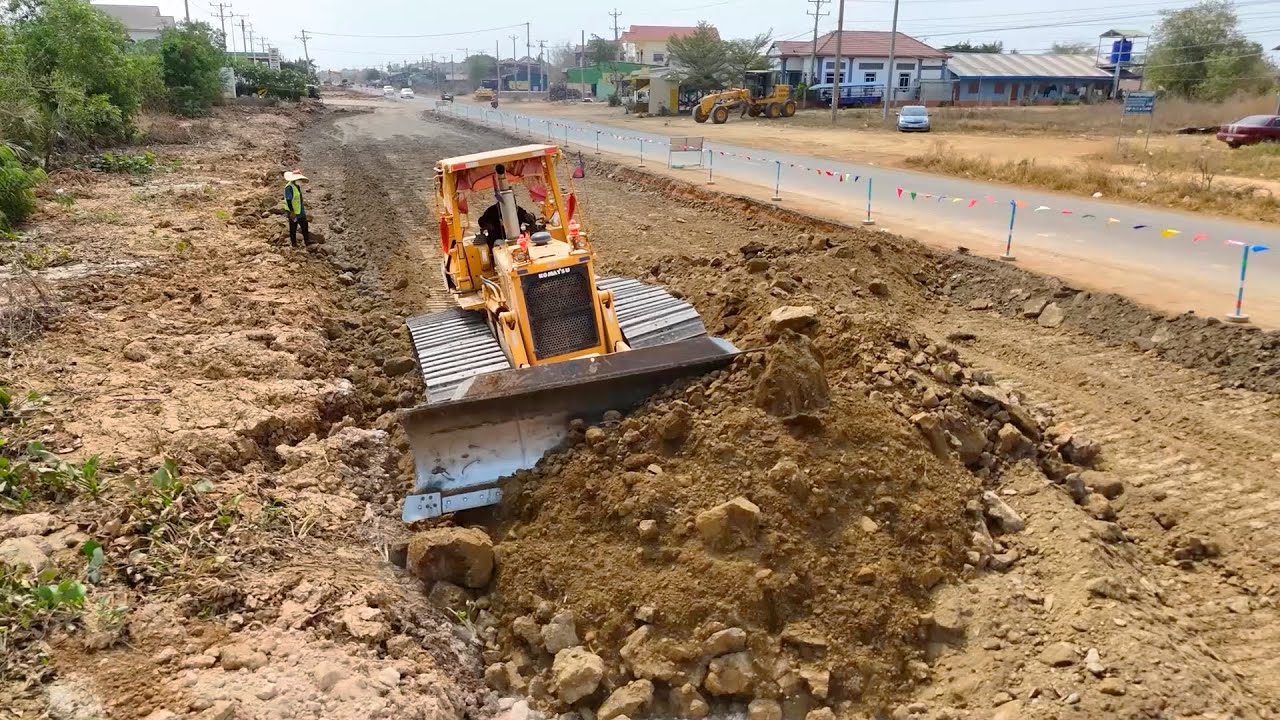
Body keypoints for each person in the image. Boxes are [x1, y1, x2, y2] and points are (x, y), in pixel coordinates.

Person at [283, 170, 311, 246]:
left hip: (300, 210)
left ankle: (307, 242)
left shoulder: (296, 186)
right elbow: (289, 200)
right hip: (293, 211)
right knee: (293, 228)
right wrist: (292, 212)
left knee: (304, 226)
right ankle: (294, 244)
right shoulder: (289, 187)